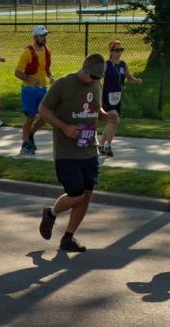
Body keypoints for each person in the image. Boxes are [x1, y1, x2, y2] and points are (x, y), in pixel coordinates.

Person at [34, 53, 105, 255]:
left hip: (89, 149)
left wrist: (108, 116)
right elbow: (43, 110)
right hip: (67, 152)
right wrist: (64, 127)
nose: (94, 80)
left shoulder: (96, 85)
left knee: (87, 194)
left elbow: (95, 110)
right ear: (83, 69)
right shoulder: (63, 84)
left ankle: (68, 237)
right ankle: (51, 213)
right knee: (76, 195)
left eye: (98, 78)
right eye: (92, 76)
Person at [15, 26, 55, 155]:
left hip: (42, 88)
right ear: (35, 37)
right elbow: (17, 72)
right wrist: (29, 79)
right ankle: (25, 142)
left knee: (45, 115)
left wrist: (50, 76)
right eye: (41, 36)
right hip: (29, 89)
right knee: (30, 116)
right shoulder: (27, 53)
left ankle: (31, 134)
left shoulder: (46, 51)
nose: (44, 38)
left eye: (45, 35)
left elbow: (46, 68)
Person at [97, 37, 131, 156]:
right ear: (111, 51)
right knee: (114, 119)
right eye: (117, 50)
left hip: (117, 97)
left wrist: (136, 80)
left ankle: (101, 144)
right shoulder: (107, 64)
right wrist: (98, 87)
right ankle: (108, 146)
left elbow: (129, 76)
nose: (119, 52)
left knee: (114, 121)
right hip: (107, 96)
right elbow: (98, 76)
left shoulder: (123, 64)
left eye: (121, 50)